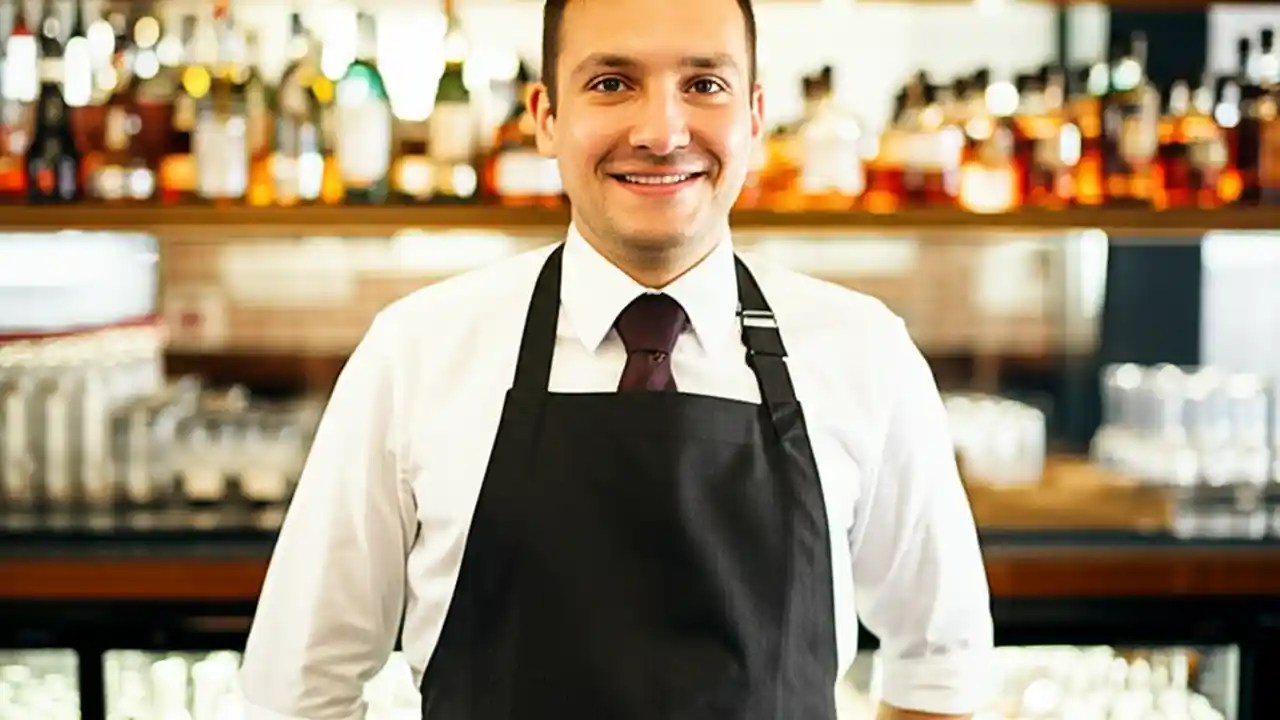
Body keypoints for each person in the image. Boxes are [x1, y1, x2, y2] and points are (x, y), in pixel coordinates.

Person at [239, 0, 995, 717]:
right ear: (545, 117)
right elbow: (299, 690)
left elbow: (941, 659)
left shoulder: (866, 353)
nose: (663, 132)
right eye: (611, 83)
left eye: (704, 84)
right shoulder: (414, 355)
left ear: (755, 116)